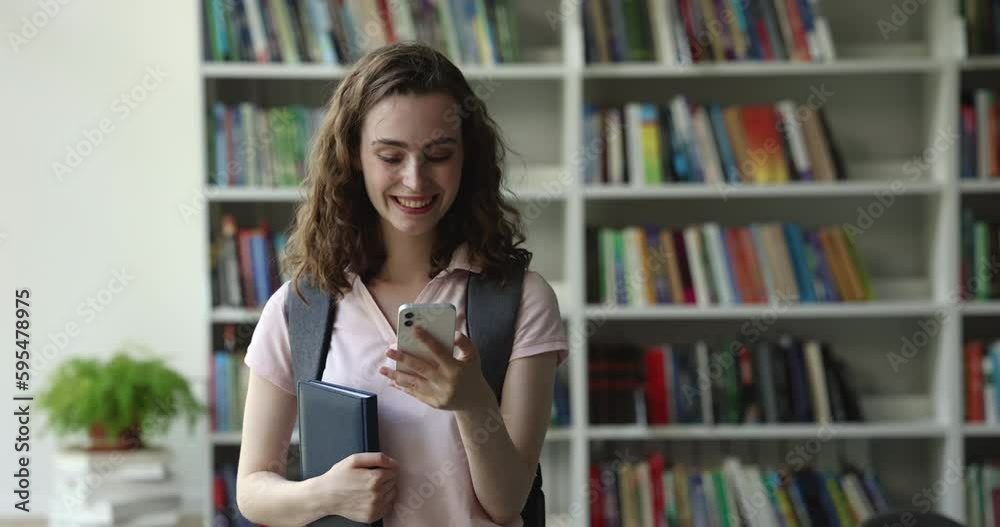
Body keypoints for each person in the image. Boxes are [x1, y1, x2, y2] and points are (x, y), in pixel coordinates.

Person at [235, 42, 568, 527]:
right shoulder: (300, 307)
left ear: (466, 158)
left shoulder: (523, 300)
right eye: (391, 155)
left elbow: (507, 502)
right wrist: (324, 495)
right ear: (353, 157)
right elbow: (252, 488)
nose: (415, 181)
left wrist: (473, 401)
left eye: (438, 155)